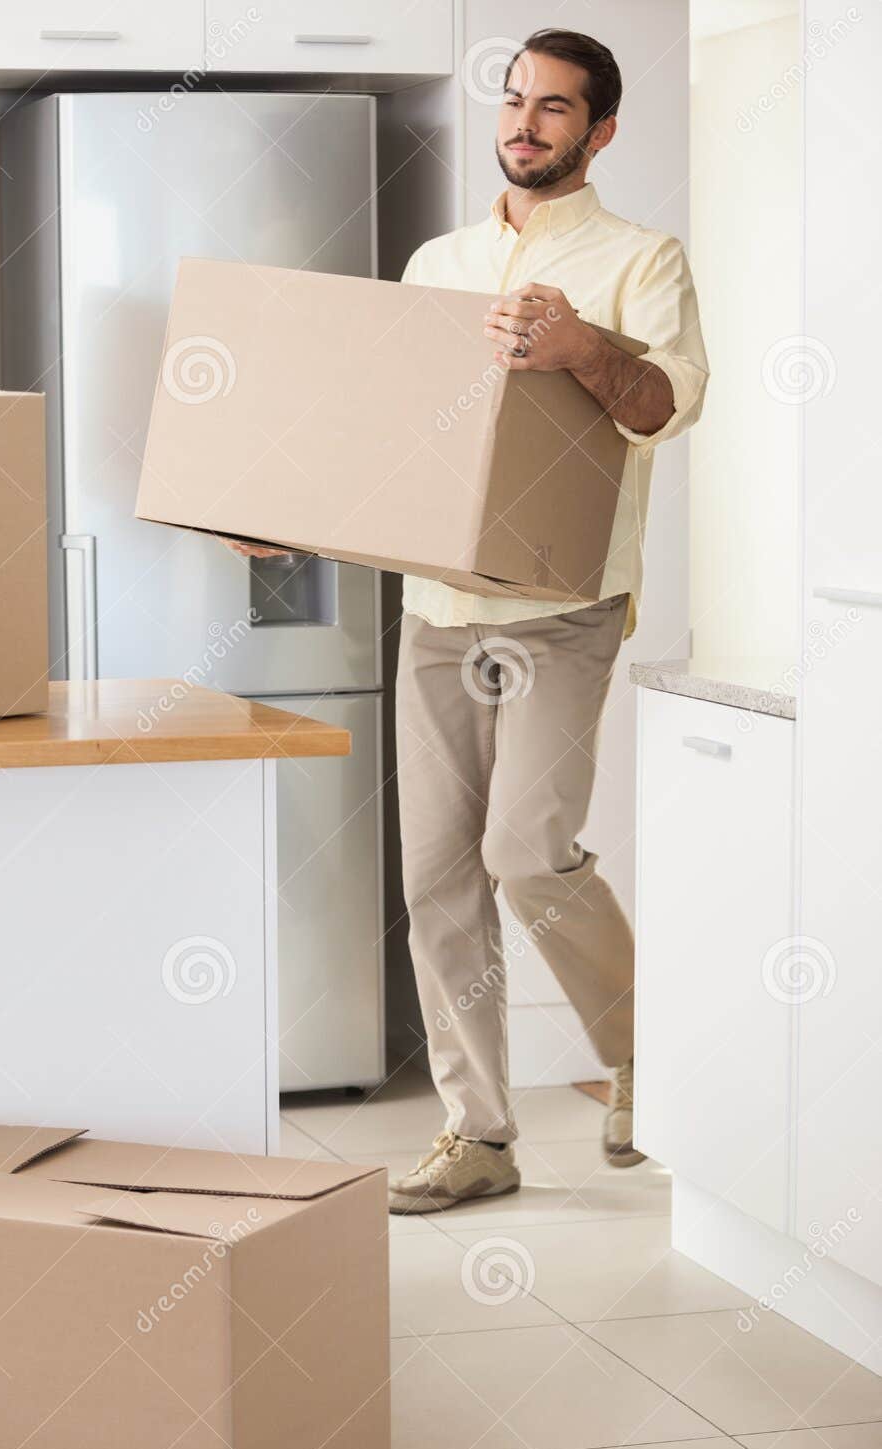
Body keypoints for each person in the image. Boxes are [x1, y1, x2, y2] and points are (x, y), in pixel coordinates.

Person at [223, 26, 708, 1217]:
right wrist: (288, 521)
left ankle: (646, 1051)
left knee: (521, 855)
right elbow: (391, 448)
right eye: (513, 101)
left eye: (553, 109)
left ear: (597, 133)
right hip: (435, 610)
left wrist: (580, 346)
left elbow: (662, 409)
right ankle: (478, 1133)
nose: (523, 124)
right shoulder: (434, 264)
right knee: (437, 877)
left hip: (559, 611)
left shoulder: (642, 260)